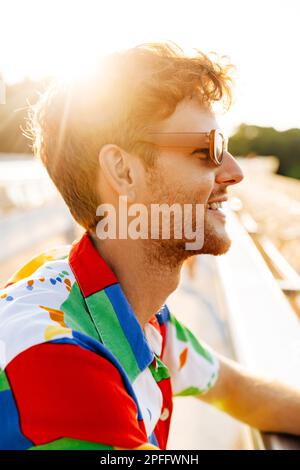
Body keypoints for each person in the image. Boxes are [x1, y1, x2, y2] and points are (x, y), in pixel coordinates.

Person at [0, 42, 299, 450]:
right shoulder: (61, 363)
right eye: (207, 150)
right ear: (123, 170)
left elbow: (240, 390)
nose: (235, 171)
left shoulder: (135, 313)